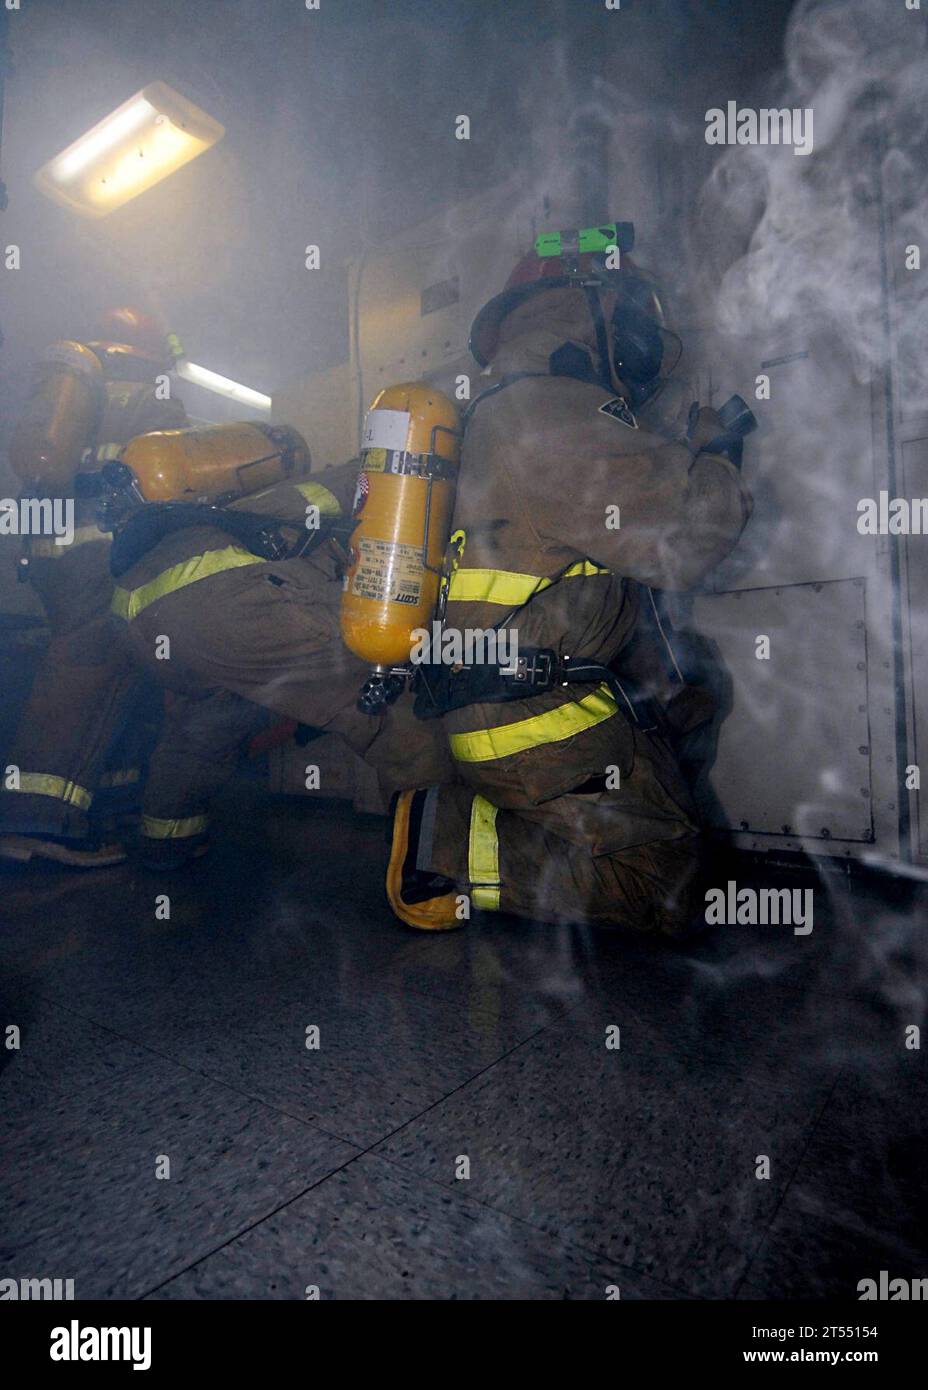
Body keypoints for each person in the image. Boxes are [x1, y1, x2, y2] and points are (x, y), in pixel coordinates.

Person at [385, 238, 752, 935]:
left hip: (490, 700)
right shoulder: (555, 411)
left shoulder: (481, 412)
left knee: (691, 699)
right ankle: (447, 838)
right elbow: (688, 541)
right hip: (534, 715)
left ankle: (468, 820)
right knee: (660, 878)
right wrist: (715, 456)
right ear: (597, 315)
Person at [0, 307, 188, 866]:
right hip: (103, 557)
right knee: (86, 674)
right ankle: (38, 823)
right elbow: (167, 484)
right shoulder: (151, 398)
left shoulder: (75, 398)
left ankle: (99, 802)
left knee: (110, 674)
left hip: (54, 560)